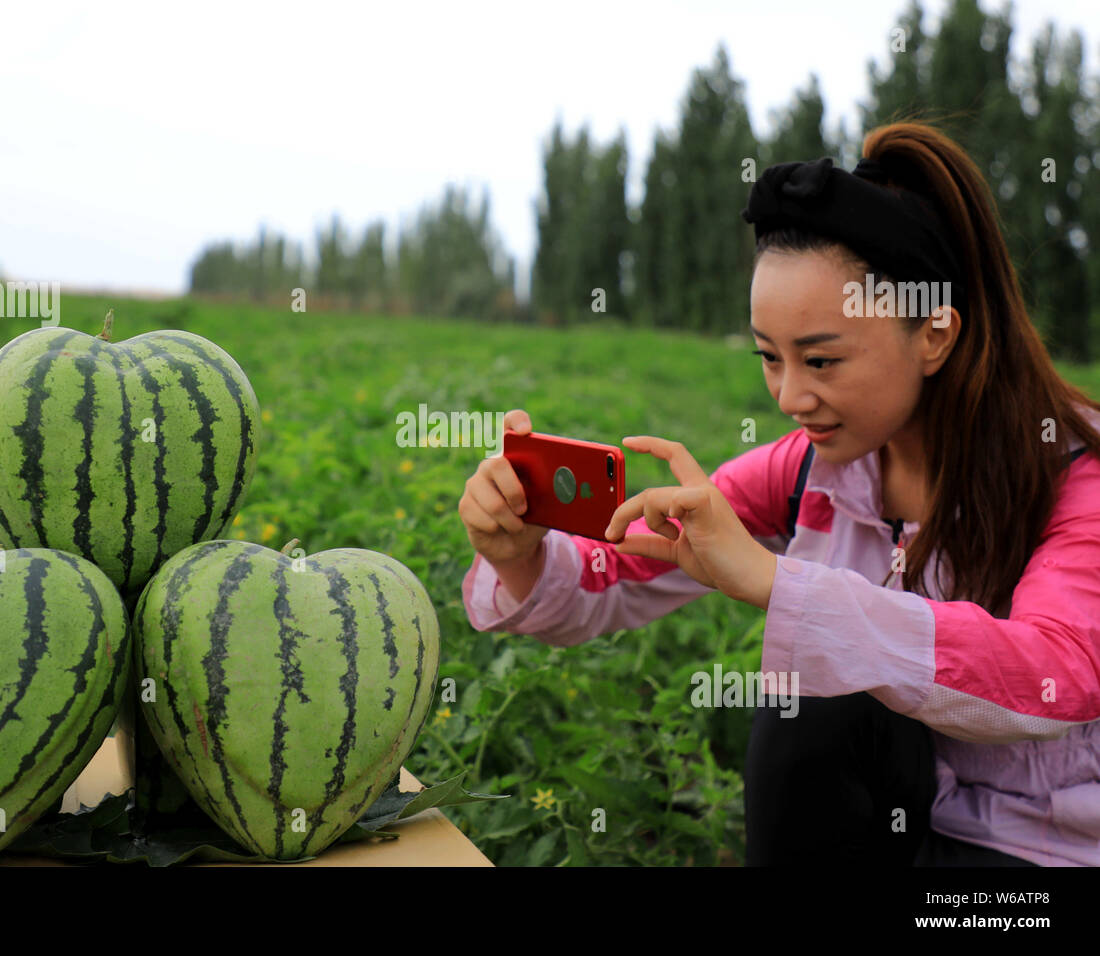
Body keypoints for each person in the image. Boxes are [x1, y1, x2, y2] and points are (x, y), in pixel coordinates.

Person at [458, 122, 1100, 867]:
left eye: (822, 360)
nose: (791, 395)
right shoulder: (806, 471)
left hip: (1040, 854)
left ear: (934, 333)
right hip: (906, 820)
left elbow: (1058, 677)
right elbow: (616, 574)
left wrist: (780, 584)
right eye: (770, 357)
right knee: (812, 702)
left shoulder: (1072, 474)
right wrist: (521, 553)